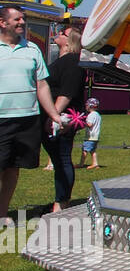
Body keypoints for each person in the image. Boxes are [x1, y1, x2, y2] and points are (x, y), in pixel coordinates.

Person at [0, 7, 66, 228]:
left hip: (27, 118)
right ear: (2, 23)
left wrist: (54, 114)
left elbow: (42, 85)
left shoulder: (32, 49)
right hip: (1, 118)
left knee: (12, 167)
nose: (22, 22)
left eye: (23, 18)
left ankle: (2, 214)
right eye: (16, 19)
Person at [43, 25, 87, 212]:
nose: (58, 34)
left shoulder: (72, 62)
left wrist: (54, 116)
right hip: (55, 115)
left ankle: (61, 202)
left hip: (62, 117)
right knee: (58, 157)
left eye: (63, 33)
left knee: (62, 158)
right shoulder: (64, 60)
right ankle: (60, 200)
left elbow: (67, 92)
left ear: (70, 41)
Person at [79, 97, 102, 169]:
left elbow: (90, 124)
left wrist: (81, 122)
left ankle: (81, 164)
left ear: (91, 106)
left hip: (90, 137)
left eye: (87, 105)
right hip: (95, 136)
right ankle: (95, 163)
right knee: (92, 151)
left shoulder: (91, 115)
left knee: (84, 150)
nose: (86, 106)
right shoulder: (97, 115)